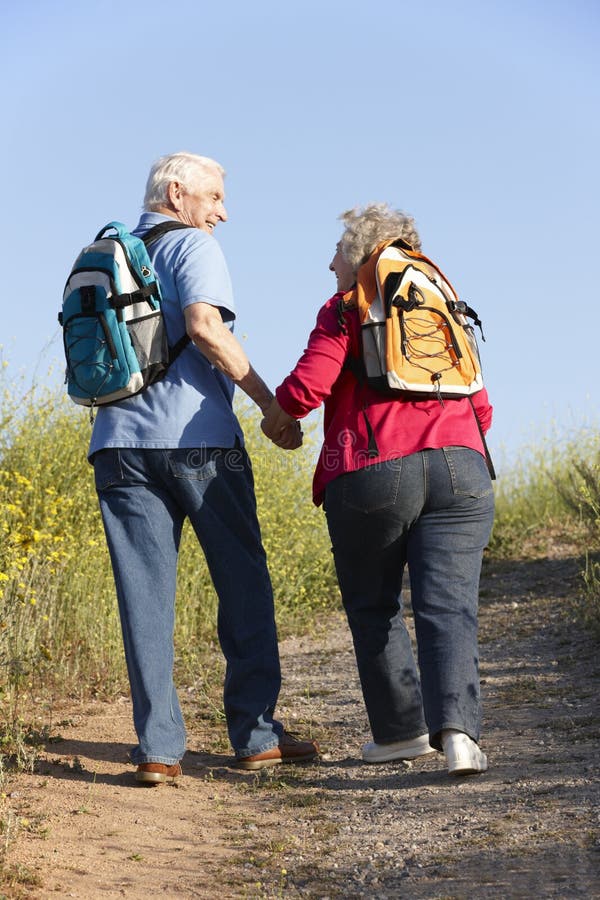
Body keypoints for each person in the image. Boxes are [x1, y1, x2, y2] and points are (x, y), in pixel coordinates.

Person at [88, 151, 318, 783]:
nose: (223, 212)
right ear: (177, 193)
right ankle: (255, 735)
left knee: (144, 598)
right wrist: (271, 406)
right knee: (242, 582)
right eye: (214, 196)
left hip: (118, 444)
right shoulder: (191, 245)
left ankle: (158, 749)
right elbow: (204, 326)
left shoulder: (110, 253)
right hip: (199, 442)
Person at [261, 203, 495, 776]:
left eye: (338, 251)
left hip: (373, 469)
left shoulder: (348, 304)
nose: (331, 264)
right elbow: (482, 408)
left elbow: (308, 386)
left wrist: (276, 418)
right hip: (464, 468)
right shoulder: (441, 304)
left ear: (361, 254)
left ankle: (401, 733)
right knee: (450, 606)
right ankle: (460, 737)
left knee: (374, 604)